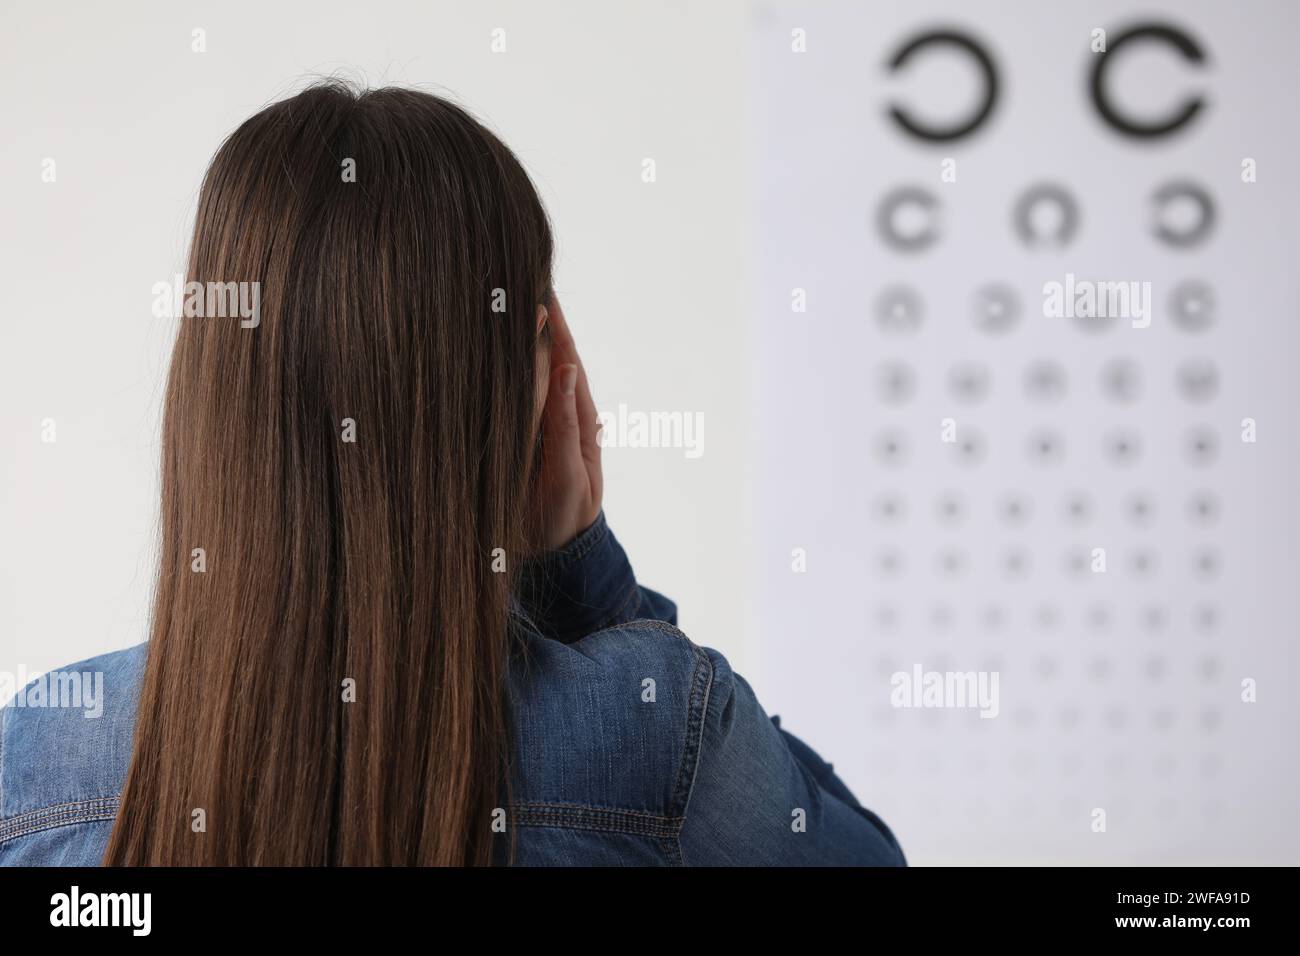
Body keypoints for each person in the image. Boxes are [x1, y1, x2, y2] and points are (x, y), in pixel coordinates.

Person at [0, 83, 903, 867]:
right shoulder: (651, 733)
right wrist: (588, 578)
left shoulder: (40, 753)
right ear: (547, 392)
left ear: (208, 397)